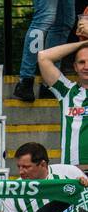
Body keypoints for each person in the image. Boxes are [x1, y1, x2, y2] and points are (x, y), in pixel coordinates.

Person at [36, 36, 88, 169]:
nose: (86, 67)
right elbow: (43, 57)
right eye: (82, 62)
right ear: (75, 67)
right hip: (73, 173)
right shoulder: (67, 91)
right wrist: (83, 43)